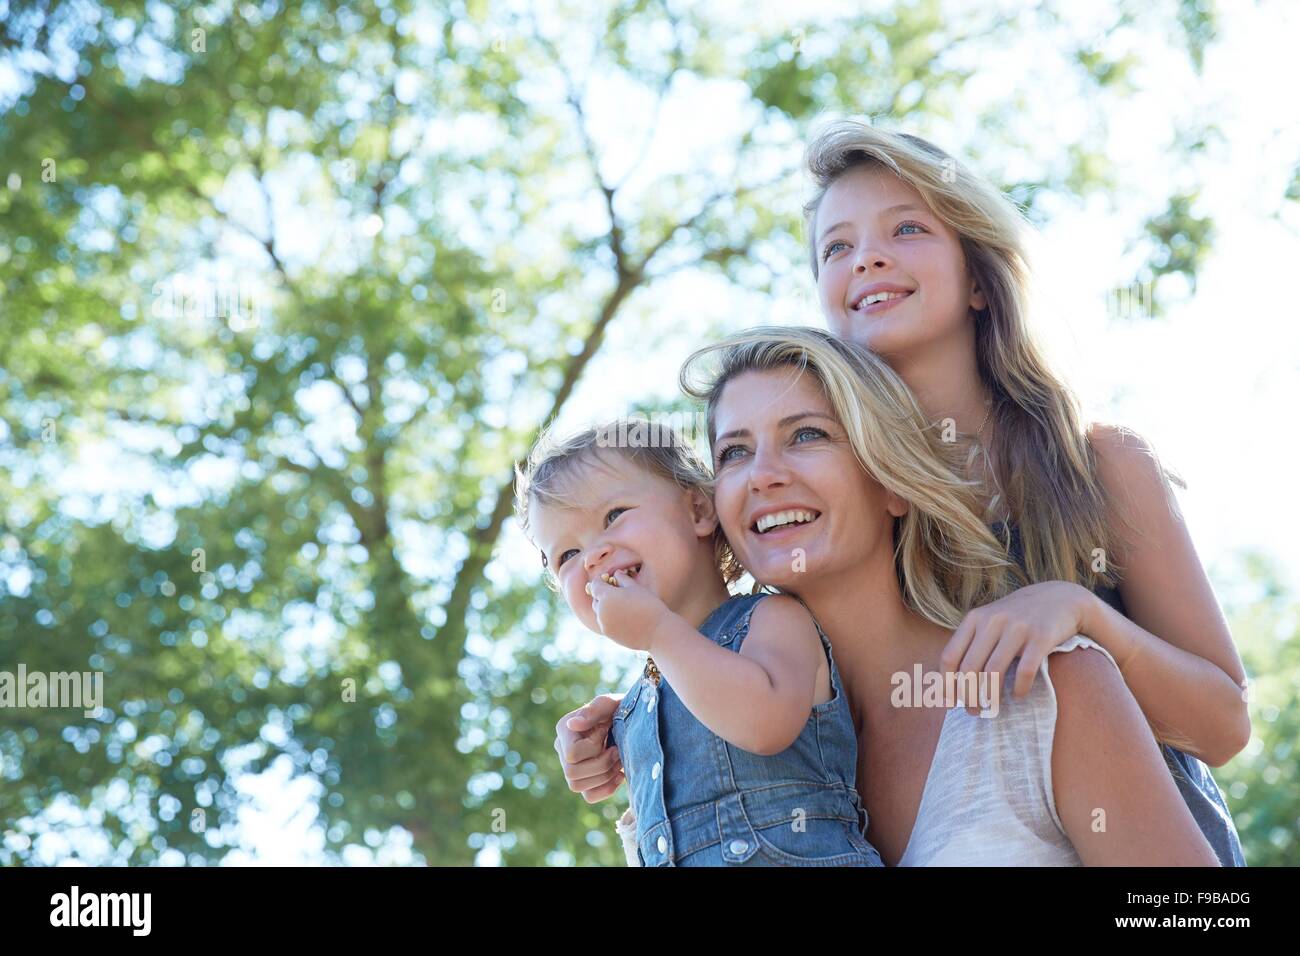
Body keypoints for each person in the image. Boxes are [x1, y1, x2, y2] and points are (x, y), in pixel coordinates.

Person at [515, 419, 882, 865]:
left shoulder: (771, 618)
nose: (593, 557)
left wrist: (658, 633)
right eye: (567, 555)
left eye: (614, 516)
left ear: (698, 511)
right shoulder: (637, 704)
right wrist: (609, 738)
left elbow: (763, 723)